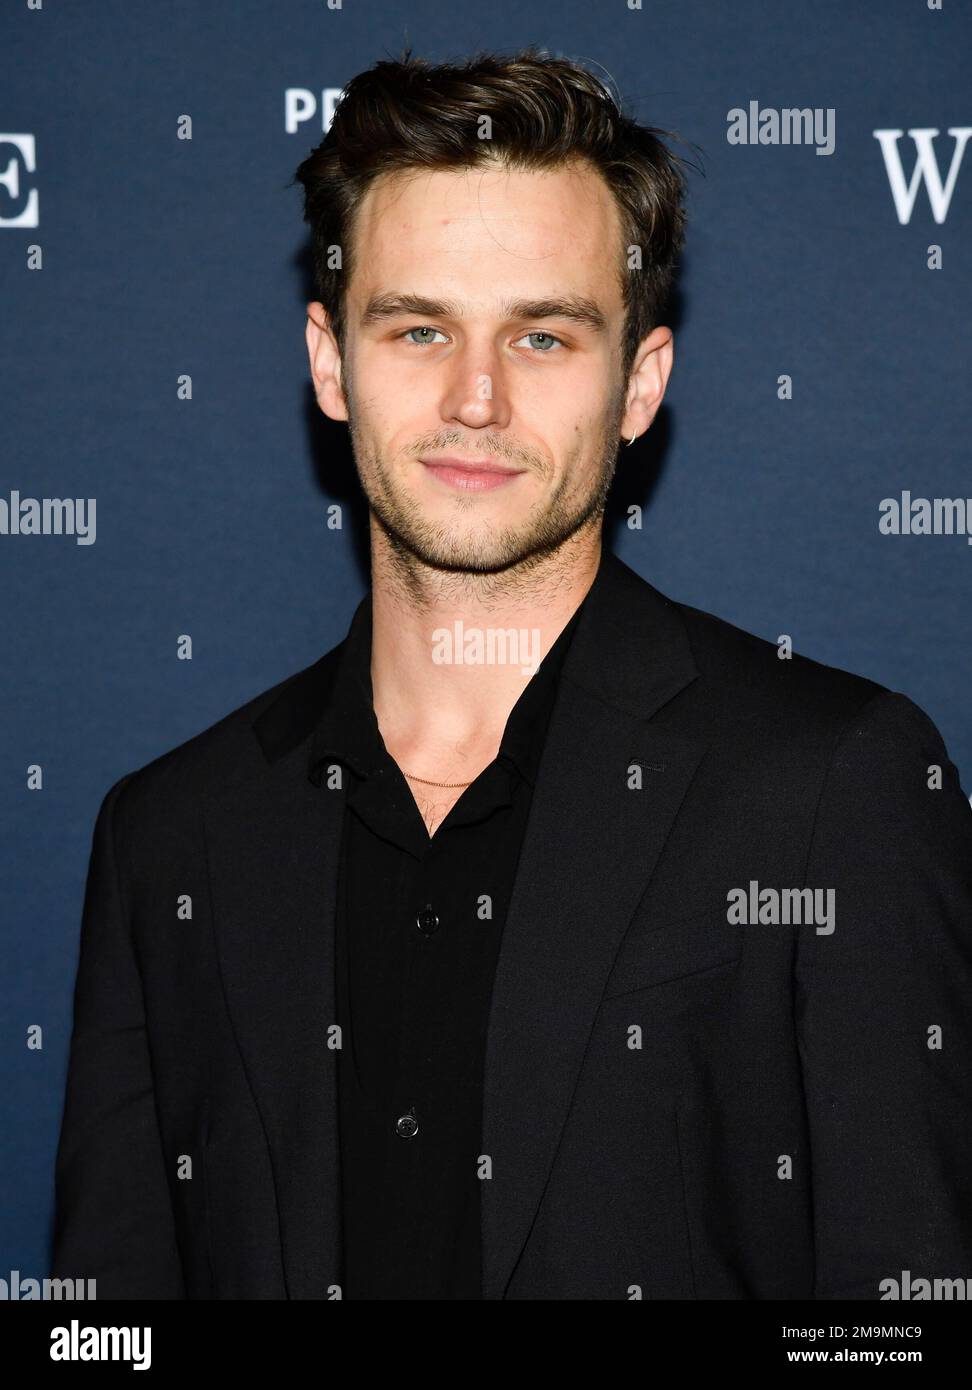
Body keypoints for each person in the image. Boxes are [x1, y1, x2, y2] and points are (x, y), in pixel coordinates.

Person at [51, 47, 972, 1300]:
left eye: (542, 337)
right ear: (331, 363)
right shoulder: (170, 836)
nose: (473, 398)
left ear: (638, 383)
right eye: (419, 327)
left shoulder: (833, 789)